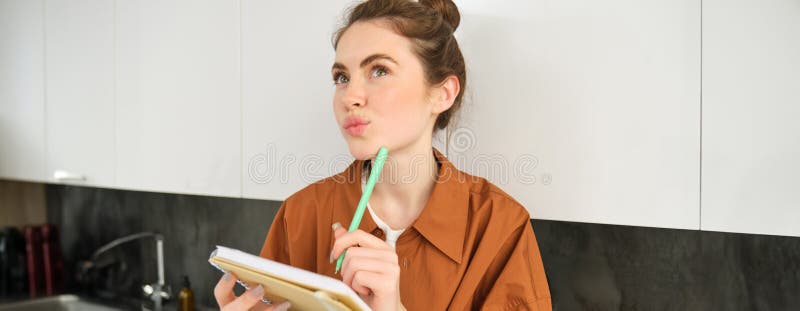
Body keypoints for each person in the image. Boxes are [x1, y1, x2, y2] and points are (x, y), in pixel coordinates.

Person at [215, 0, 551, 310]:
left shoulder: (499, 227)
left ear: (442, 94)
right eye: (342, 77)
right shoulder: (301, 215)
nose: (350, 97)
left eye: (379, 70)